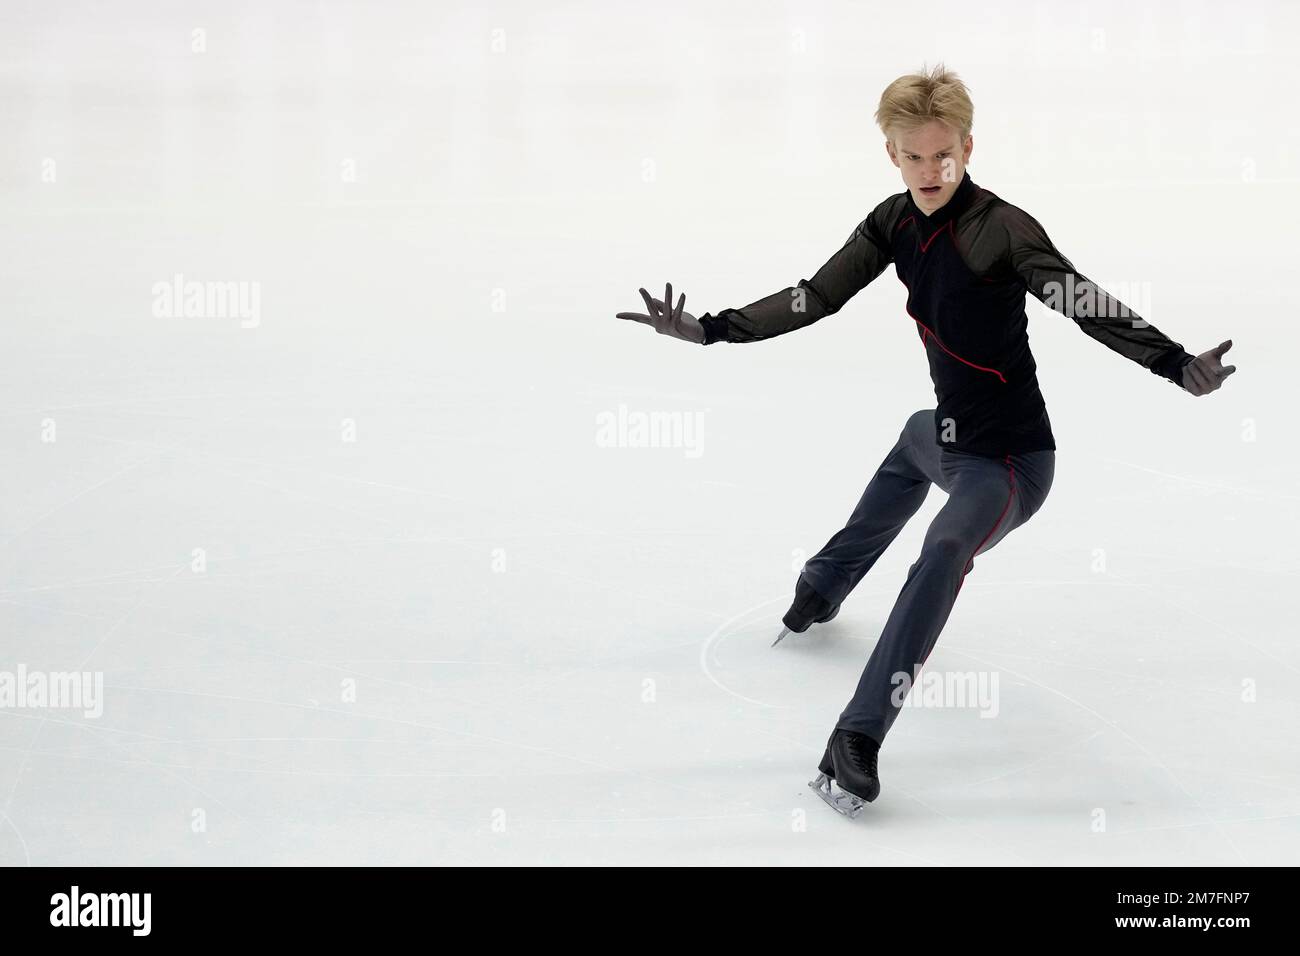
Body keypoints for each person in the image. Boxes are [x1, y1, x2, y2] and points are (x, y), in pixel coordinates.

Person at [615, 63, 1236, 816]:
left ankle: (857, 735)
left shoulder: (1002, 229)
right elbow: (816, 295)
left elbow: (1079, 299)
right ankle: (824, 583)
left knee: (942, 550)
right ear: (892, 154)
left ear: (969, 148)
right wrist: (714, 329)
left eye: (945, 155)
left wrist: (1173, 362)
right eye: (915, 156)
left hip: (1009, 464)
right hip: (945, 438)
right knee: (913, 442)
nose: (931, 170)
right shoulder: (891, 222)